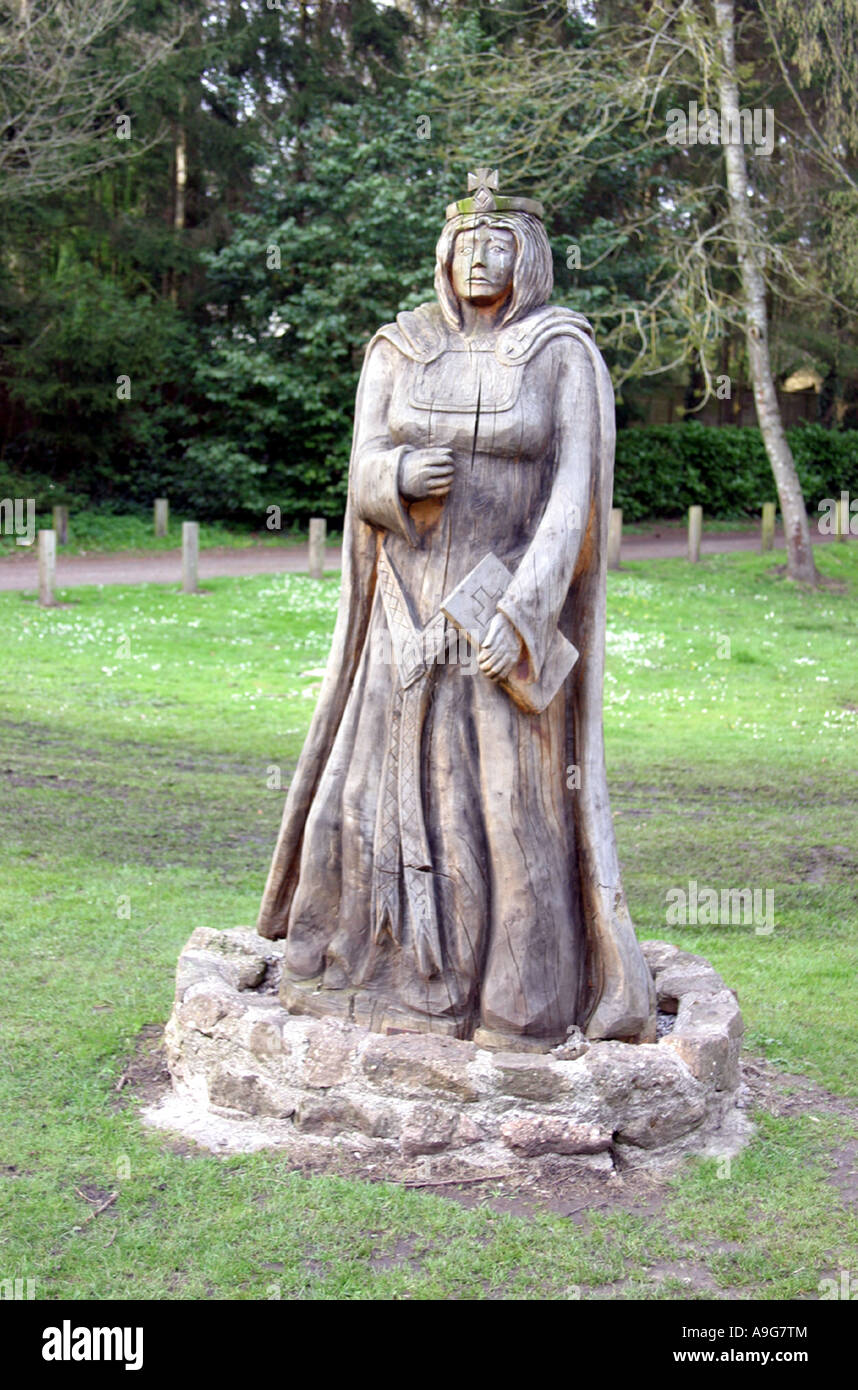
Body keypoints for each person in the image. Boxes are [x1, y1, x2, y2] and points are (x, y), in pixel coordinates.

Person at [257, 170, 654, 1050]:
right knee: (369, 794)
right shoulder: (399, 348)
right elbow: (360, 468)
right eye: (466, 243)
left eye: (498, 243)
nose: (480, 259)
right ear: (444, 255)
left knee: (511, 809)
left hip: (499, 625)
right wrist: (394, 477)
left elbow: (575, 497)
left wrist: (526, 603)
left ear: (530, 256)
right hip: (401, 620)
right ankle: (356, 967)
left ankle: (519, 1003)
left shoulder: (561, 353)